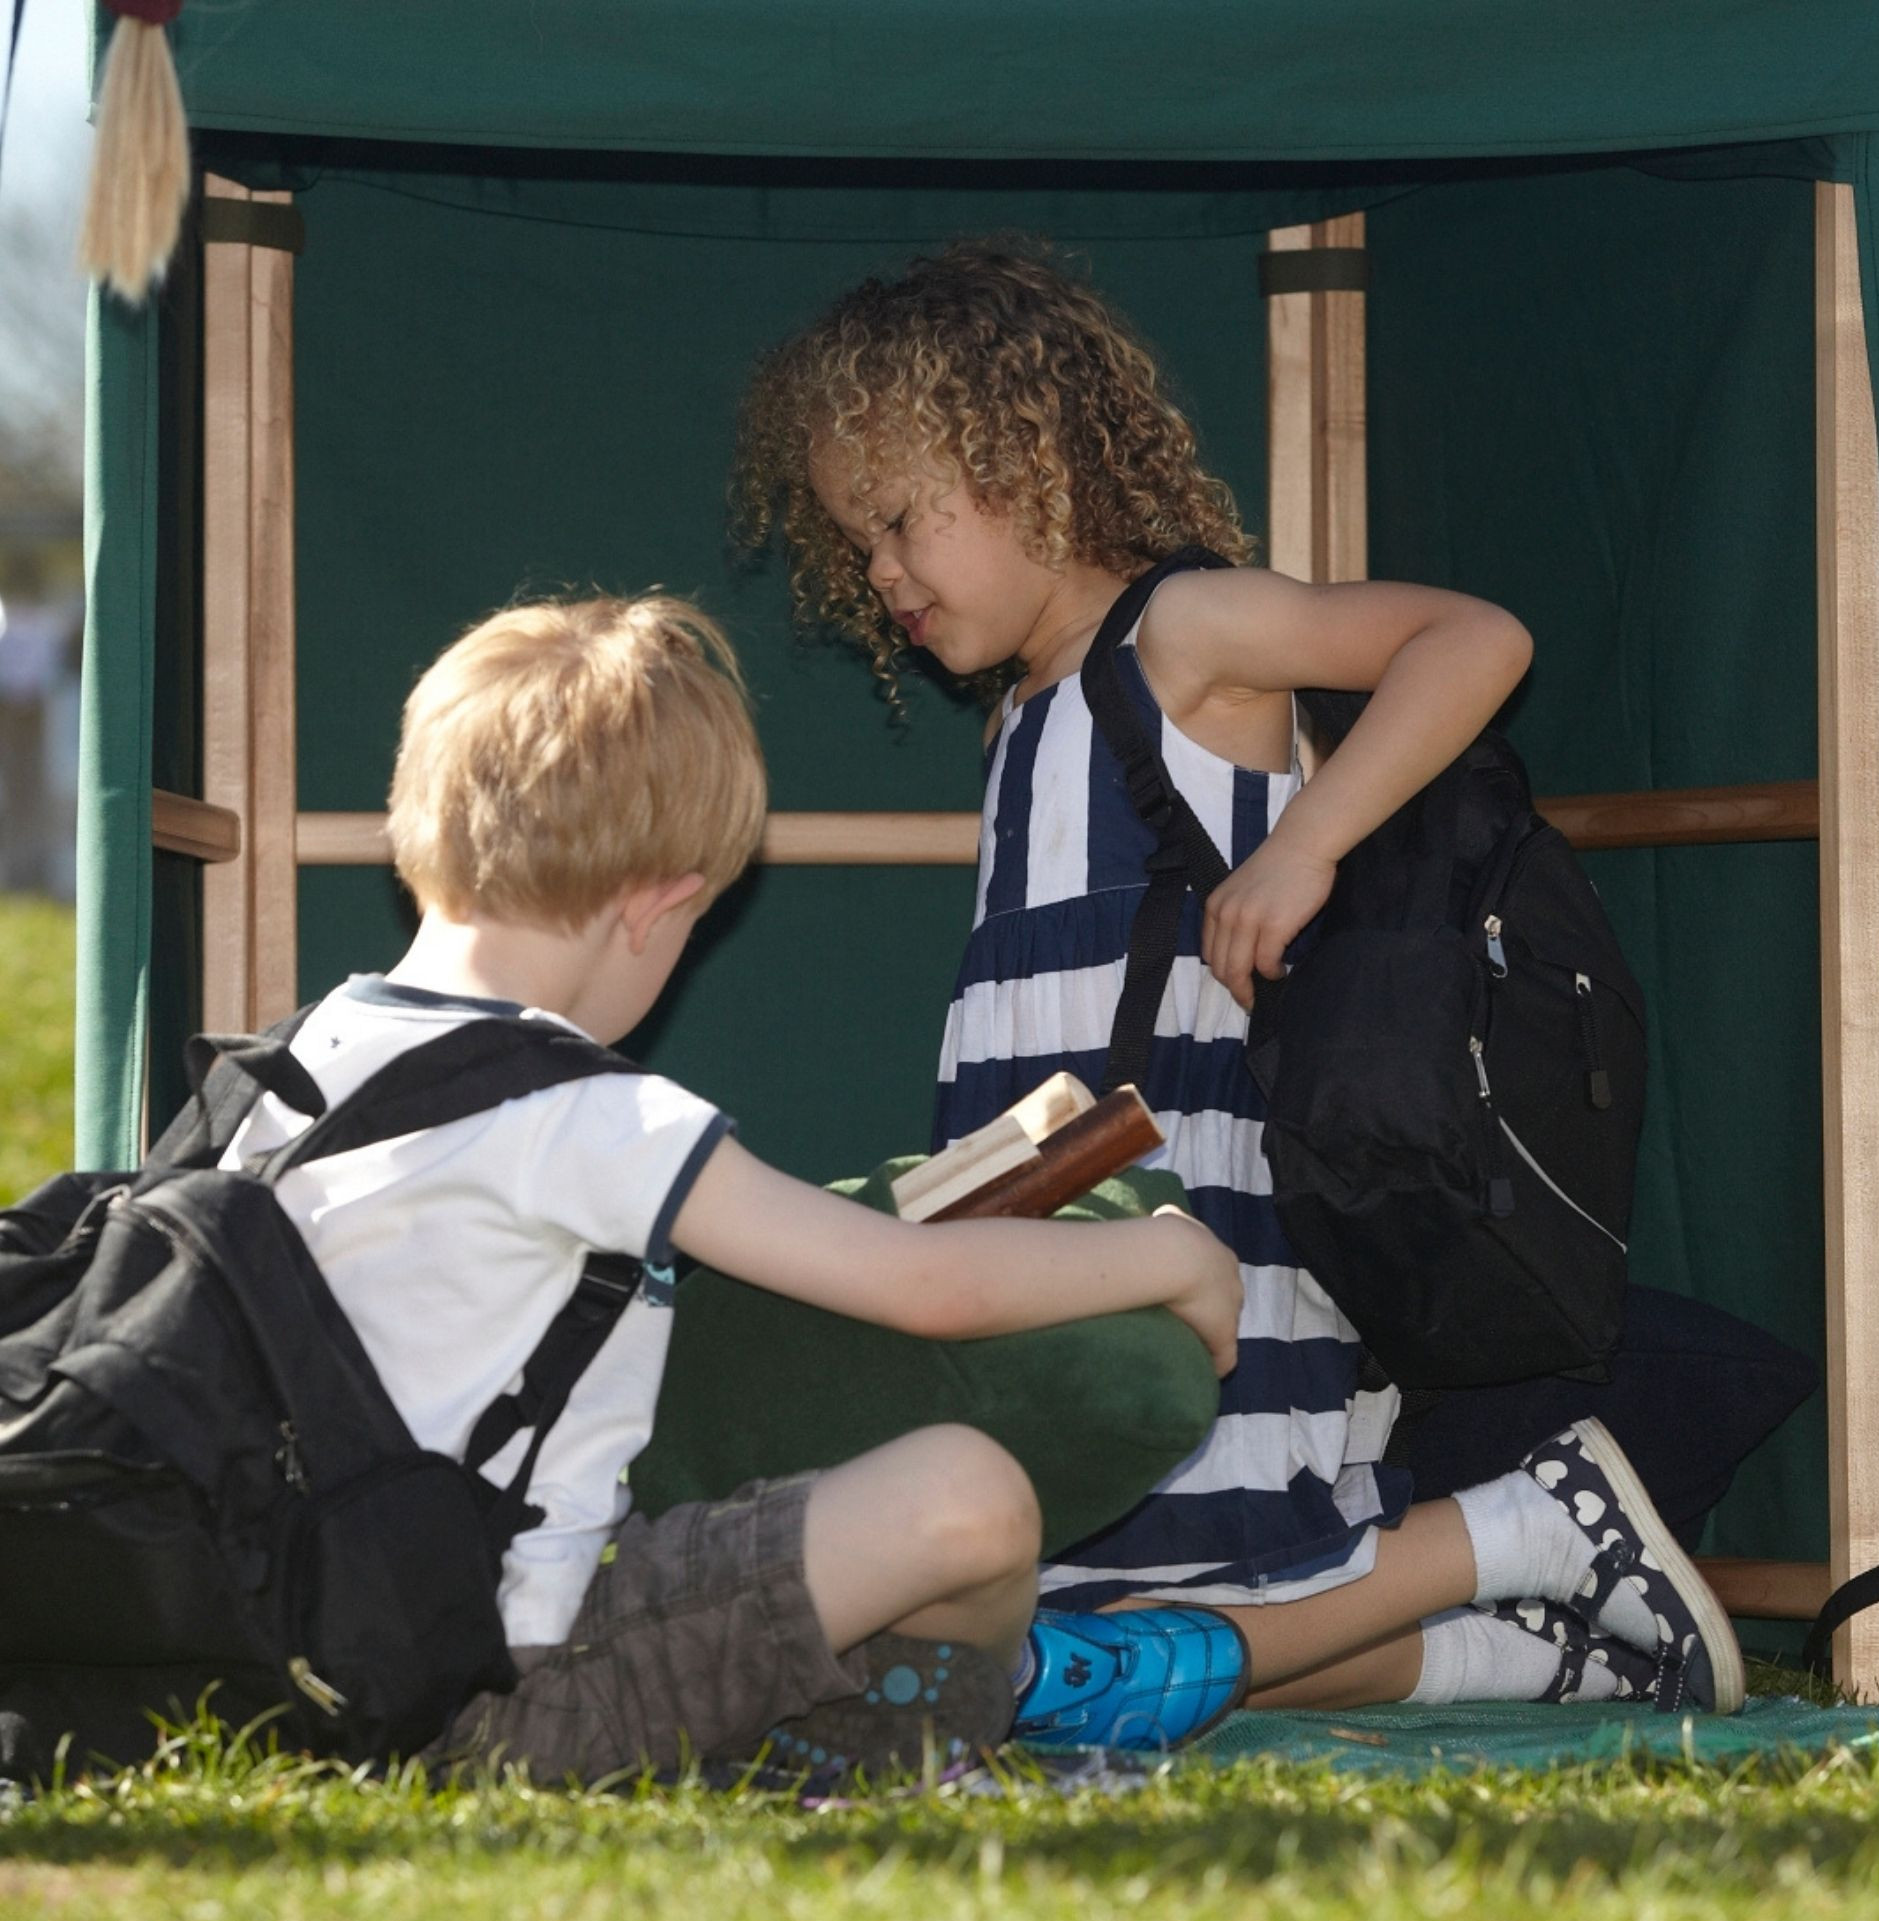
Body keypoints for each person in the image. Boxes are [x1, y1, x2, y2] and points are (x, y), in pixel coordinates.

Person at [735, 243, 1746, 1725]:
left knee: (1172, 1607)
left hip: (1196, 1212)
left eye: (898, 520)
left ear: (1028, 463)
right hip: (1069, 1221)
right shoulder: (1017, 722)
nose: (880, 571)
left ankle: (1524, 1525)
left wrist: (1306, 850)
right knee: (1115, 1632)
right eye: (856, 542)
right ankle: (1548, 1648)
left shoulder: (1179, 636)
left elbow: (1473, 641)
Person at [216, 592, 1253, 1784]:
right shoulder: (587, 1112)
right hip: (492, 1698)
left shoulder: (279, 1070)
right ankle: (877, 1761)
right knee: (967, 1496)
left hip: (278, 1674)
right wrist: (1179, 1256)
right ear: (658, 907)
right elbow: (922, 1283)